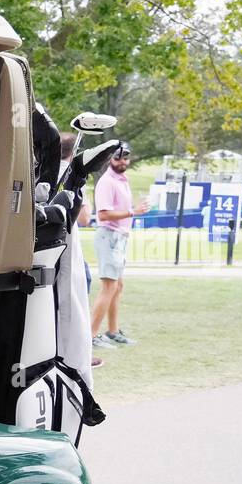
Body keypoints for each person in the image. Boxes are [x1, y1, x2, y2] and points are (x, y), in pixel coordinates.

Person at [90, 143, 147, 349]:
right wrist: (134, 212)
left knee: (118, 286)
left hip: (120, 236)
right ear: (109, 159)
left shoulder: (123, 180)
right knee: (109, 286)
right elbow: (103, 214)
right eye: (118, 158)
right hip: (109, 236)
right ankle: (91, 335)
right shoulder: (107, 182)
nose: (123, 161)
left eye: (126, 158)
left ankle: (113, 331)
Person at [59, 134, 101, 369]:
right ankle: (79, 356)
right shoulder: (72, 176)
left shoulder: (46, 171)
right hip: (70, 251)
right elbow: (84, 218)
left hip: (52, 253)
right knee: (77, 303)